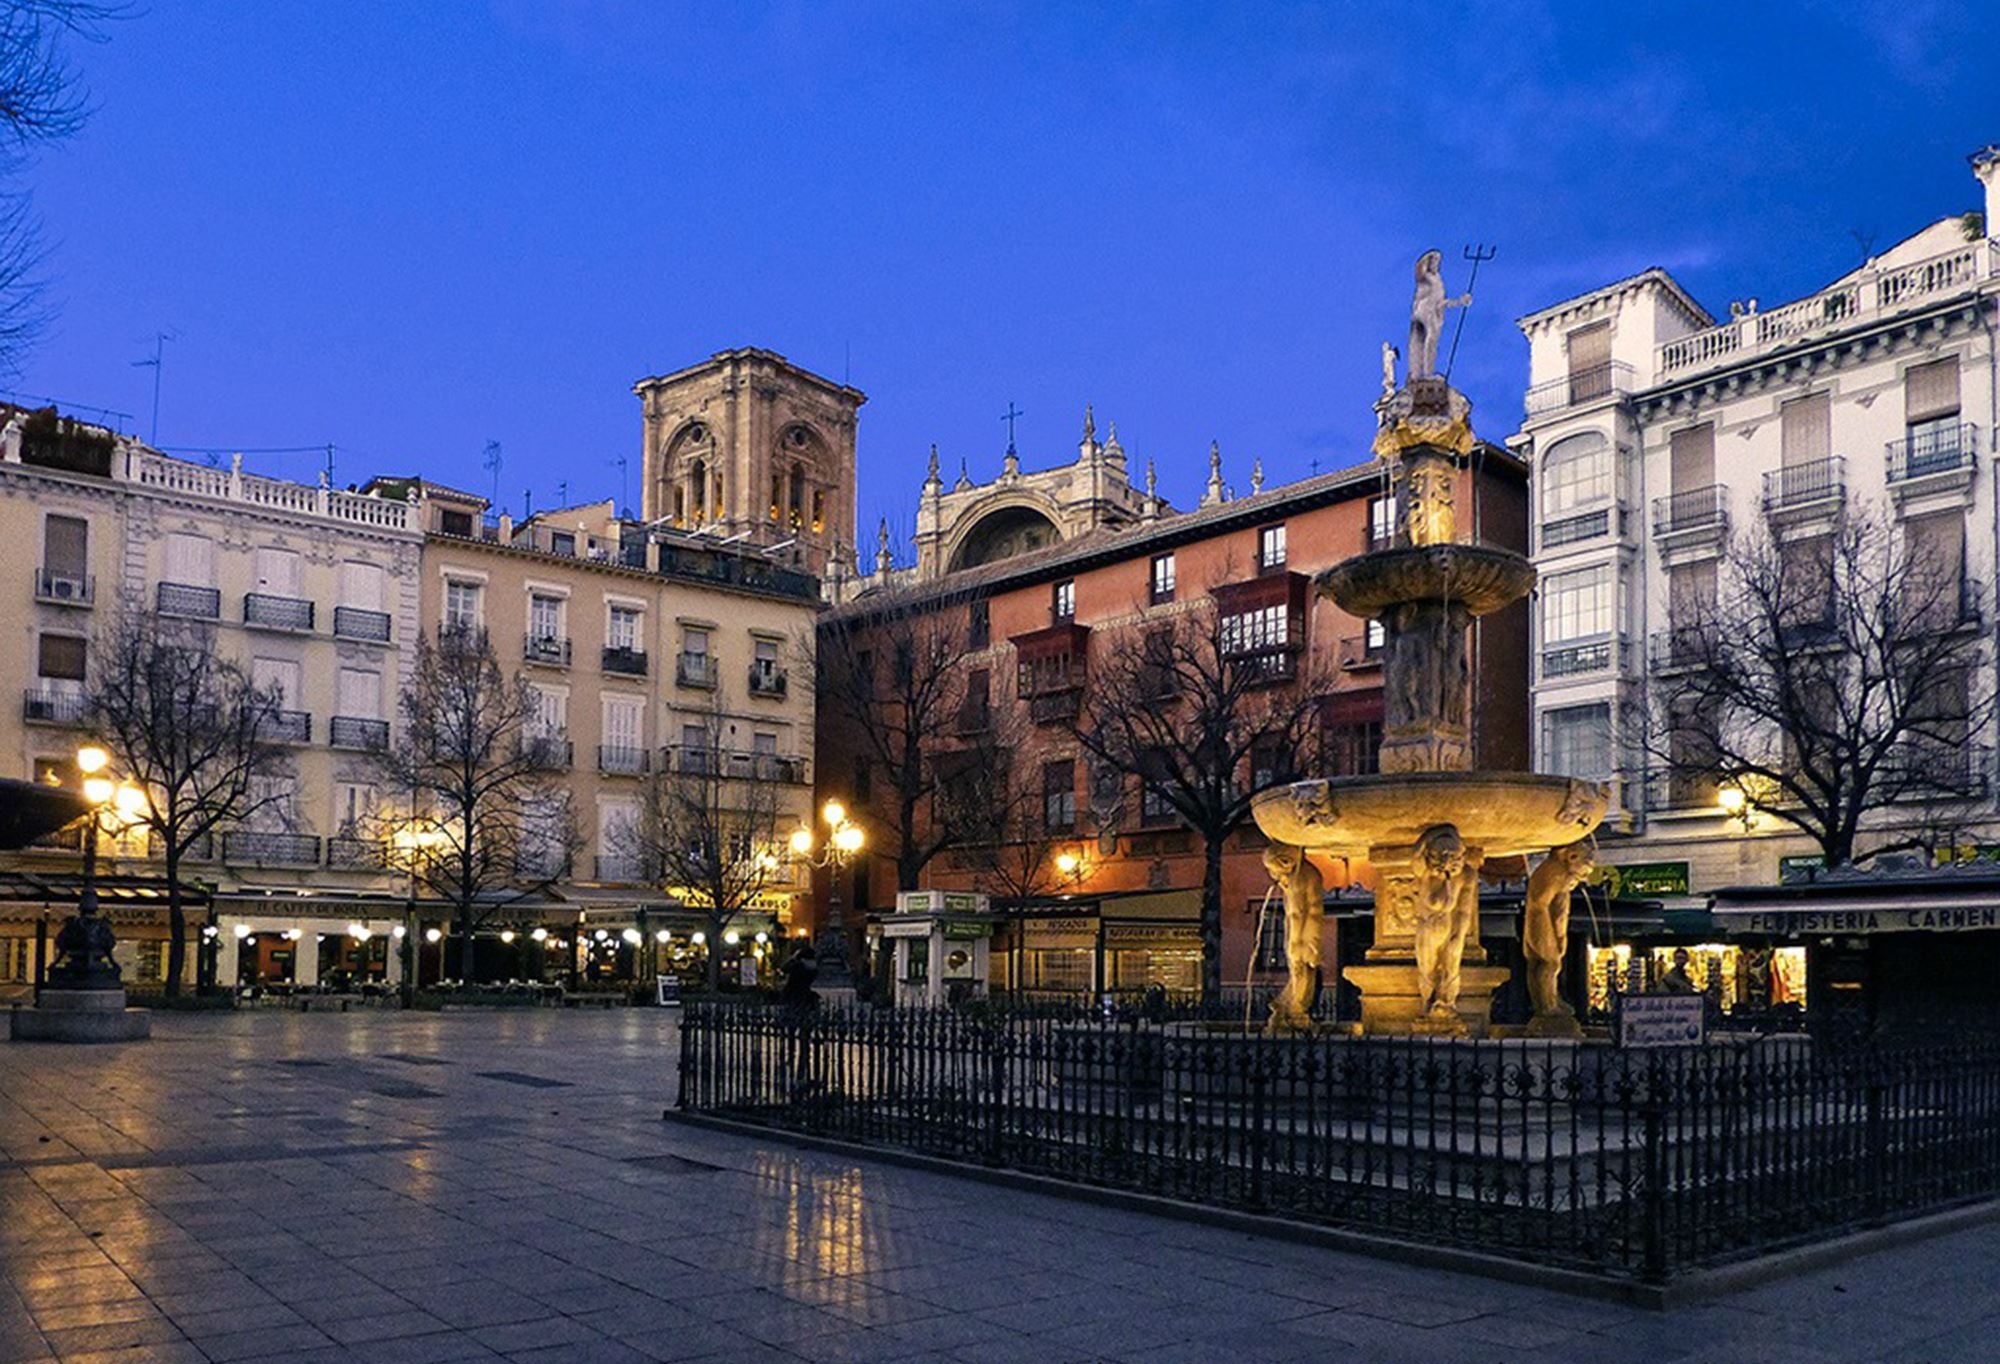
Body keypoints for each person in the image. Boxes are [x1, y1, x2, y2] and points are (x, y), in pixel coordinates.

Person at [779, 940, 819, 1010]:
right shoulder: (813, 968)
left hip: (793, 995)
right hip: (806, 995)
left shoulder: (798, 966)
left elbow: (784, 968)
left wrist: (793, 958)